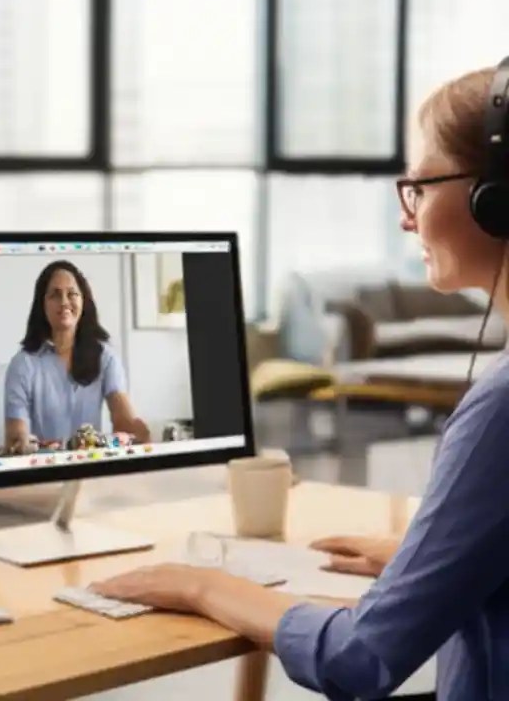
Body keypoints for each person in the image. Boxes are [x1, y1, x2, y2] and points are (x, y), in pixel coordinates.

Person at [91, 64, 509, 700]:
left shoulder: (498, 411)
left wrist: (201, 585)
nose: (407, 219)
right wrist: (424, 560)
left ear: (496, 198)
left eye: (419, 188)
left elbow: (358, 658)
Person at [4, 260, 151, 452]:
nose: (64, 302)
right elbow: (16, 434)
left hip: (91, 463)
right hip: (42, 464)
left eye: (72, 294)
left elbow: (124, 421)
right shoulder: (22, 364)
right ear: (42, 305)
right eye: (55, 295)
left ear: (83, 301)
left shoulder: (105, 357)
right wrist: (21, 442)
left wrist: (139, 434)